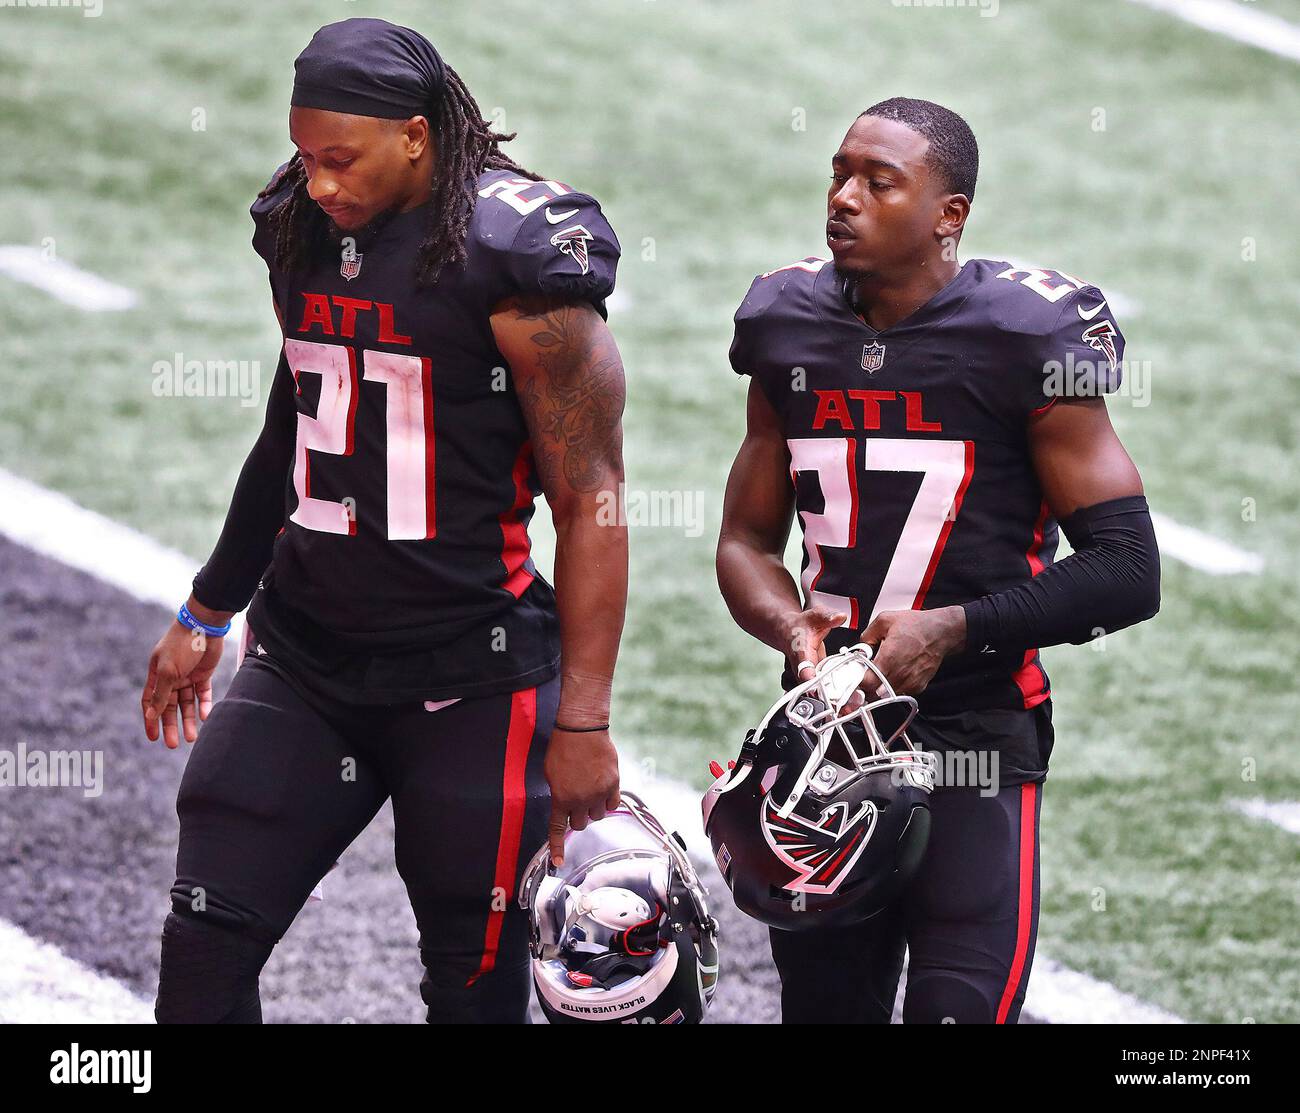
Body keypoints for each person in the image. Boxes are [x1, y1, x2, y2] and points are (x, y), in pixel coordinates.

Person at [140, 18, 627, 1024]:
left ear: (416, 136)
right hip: (306, 657)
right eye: (306, 155)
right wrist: (206, 610)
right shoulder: (301, 223)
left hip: (471, 682)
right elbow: (297, 424)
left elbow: (591, 500)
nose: (317, 182)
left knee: (473, 992)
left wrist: (582, 719)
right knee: (200, 952)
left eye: (339, 159)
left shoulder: (519, 259)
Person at [716, 97, 1159, 1023]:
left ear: (949, 215)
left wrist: (955, 629)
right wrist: (793, 626)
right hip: (829, 746)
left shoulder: (1025, 336)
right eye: (839, 174)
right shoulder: (785, 323)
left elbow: (1127, 568)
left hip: (975, 741)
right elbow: (746, 541)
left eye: (880, 183)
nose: (843, 198)